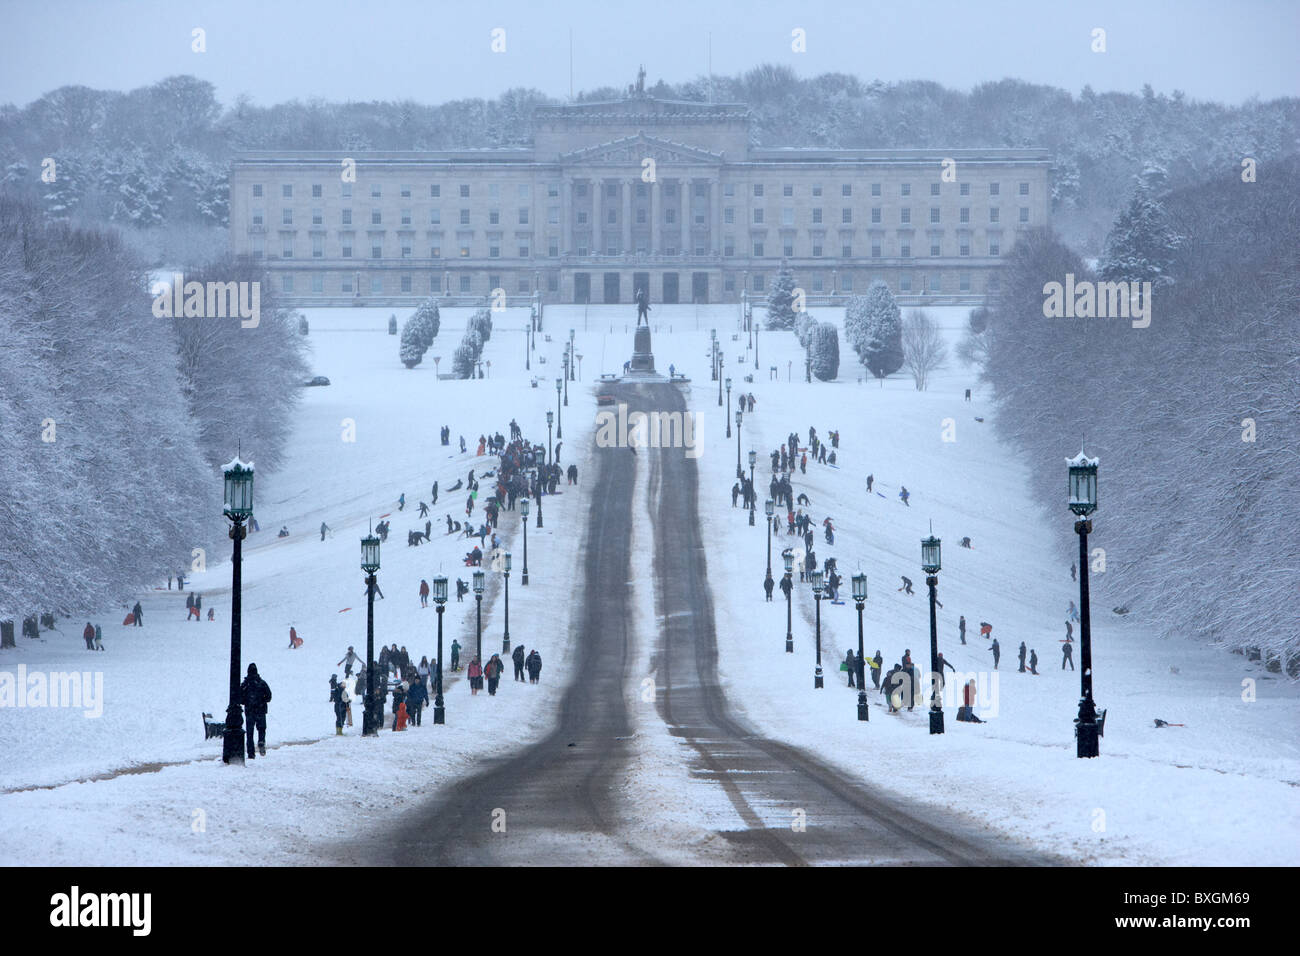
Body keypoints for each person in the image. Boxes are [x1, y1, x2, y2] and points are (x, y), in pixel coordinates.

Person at [239, 663, 272, 758]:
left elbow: (240, 698)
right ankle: (261, 741)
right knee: (261, 728)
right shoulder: (261, 683)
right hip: (261, 710)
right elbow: (269, 696)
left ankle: (251, 753)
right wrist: (262, 700)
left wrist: (246, 702)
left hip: (249, 711)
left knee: (250, 732)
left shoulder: (245, 684)